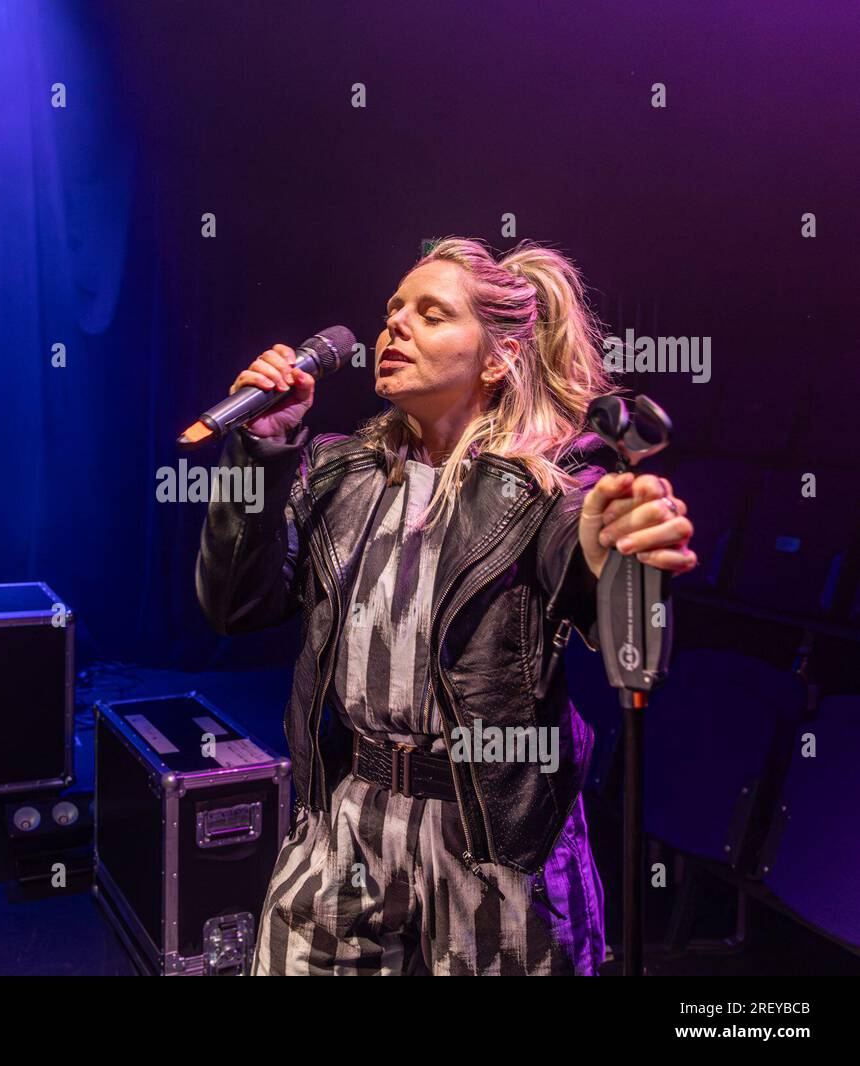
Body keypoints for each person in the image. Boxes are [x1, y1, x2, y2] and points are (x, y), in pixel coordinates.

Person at [196, 238, 697, 975]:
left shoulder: (549, 481)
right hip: (347, 820)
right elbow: (236, 606)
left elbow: (584, 562)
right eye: (393, 309)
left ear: (494, 360)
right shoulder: (334, 471)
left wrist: (610, 542)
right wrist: (260, 454)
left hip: (493, 836)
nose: (394, 325)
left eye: (431, 314)